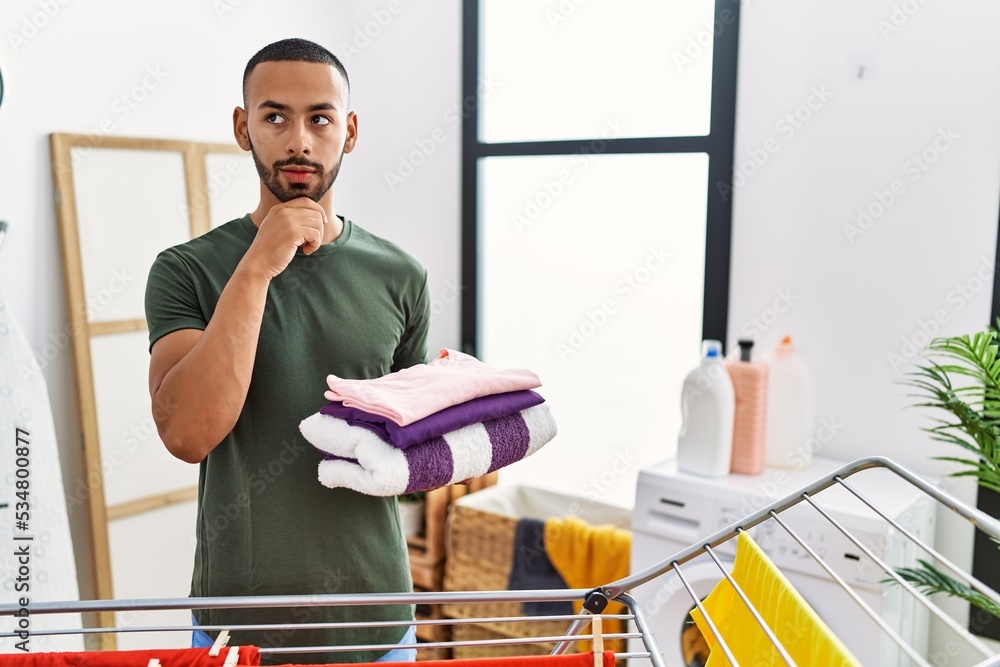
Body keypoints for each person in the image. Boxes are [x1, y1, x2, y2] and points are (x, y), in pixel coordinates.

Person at [144, 38, 429, 664]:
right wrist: (256, 269)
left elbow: (407, 478)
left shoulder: (403, 276)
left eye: (319, 118)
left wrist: (450, 418)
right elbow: (188, 435)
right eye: (275, 117)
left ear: (348, 131)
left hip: (380, 623)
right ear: (243, 128)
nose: (299, 140)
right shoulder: (186, 270)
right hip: (241, 629)